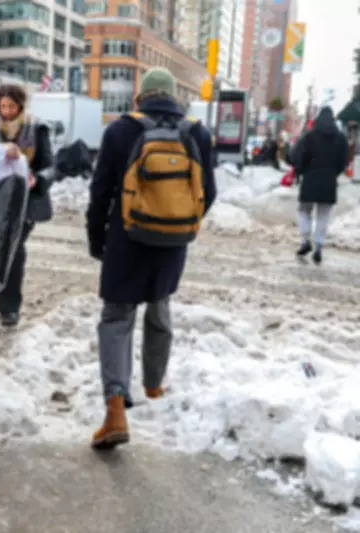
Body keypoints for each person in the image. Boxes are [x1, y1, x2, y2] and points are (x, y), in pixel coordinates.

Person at [86, 67, 217, 450]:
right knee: (160, 308)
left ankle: (115, 409)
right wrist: (180, 224)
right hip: (172, 242)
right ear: (174, 97)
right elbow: (208, 192)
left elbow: (100, 193)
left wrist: (97, 239)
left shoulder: (120, 130)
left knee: (117, 317)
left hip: (126, 238)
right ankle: (154, 386)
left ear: (140, 96)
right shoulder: (197, 133)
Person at [0, 84, 53, 327]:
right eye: (3, 106)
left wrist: (37, 178)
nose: (7, 111)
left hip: (26, 200)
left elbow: (50, 166)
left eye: (12, 106)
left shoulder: (37, 128)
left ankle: (9, 308)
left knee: (13, 249)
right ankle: (6, 303)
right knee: (2, 250)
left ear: (21, 106)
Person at [292, 106, 349, 265]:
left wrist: (301, 171)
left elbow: (298, 156)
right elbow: (343, 162)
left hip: (310, 180)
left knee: (304, 210)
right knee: (323, 215)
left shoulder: (309, 136)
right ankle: (318, 246)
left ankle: (305, 240)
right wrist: (333, 173)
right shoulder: (341, 139)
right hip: (329, 182)